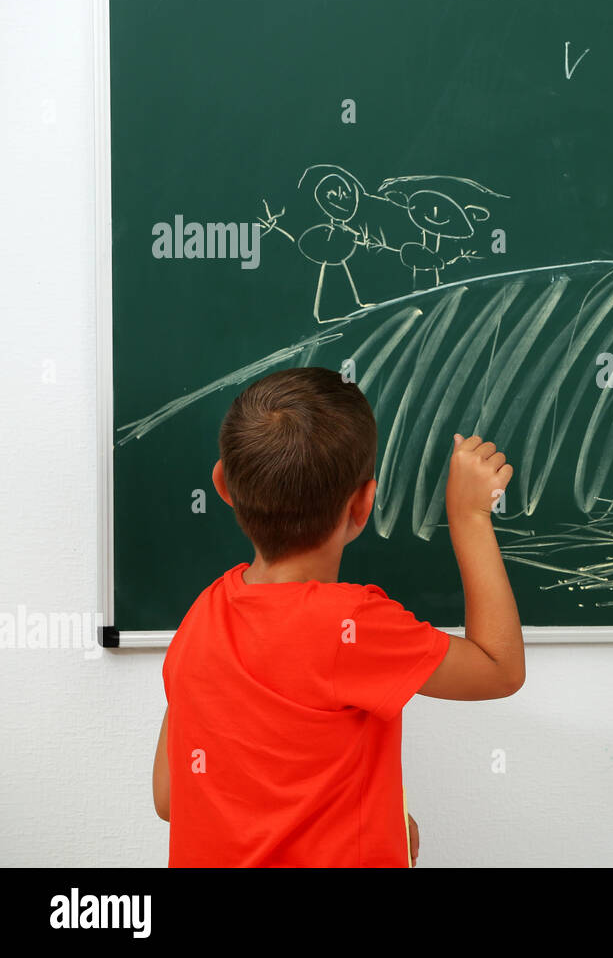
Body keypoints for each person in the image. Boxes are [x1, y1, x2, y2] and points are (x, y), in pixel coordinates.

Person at [151, 367, 523, 866]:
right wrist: (470, 518)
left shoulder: (201, 618)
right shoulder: (352, 625)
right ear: (364, 504)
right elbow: (499, 668)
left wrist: (364, 811)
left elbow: (172, 799)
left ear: (222, 484)